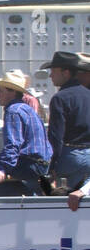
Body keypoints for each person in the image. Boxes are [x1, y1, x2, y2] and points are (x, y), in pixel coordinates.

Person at [0, 70, 52, 196]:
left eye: (1, 91)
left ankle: (20, 198)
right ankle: (27, 195)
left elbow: (13, 144)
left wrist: (2, 168)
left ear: (12, 92)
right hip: (41, 163)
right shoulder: (27, 109)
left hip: (29, 163)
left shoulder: (13, 111)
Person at [43, 50, 90, 192]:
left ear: (66, 72)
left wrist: (50, 167)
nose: (50, 75)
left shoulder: (60, 98)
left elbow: (56, 137)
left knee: (36, 179)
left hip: (70, 156)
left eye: (53, 71)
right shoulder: (88, 94)